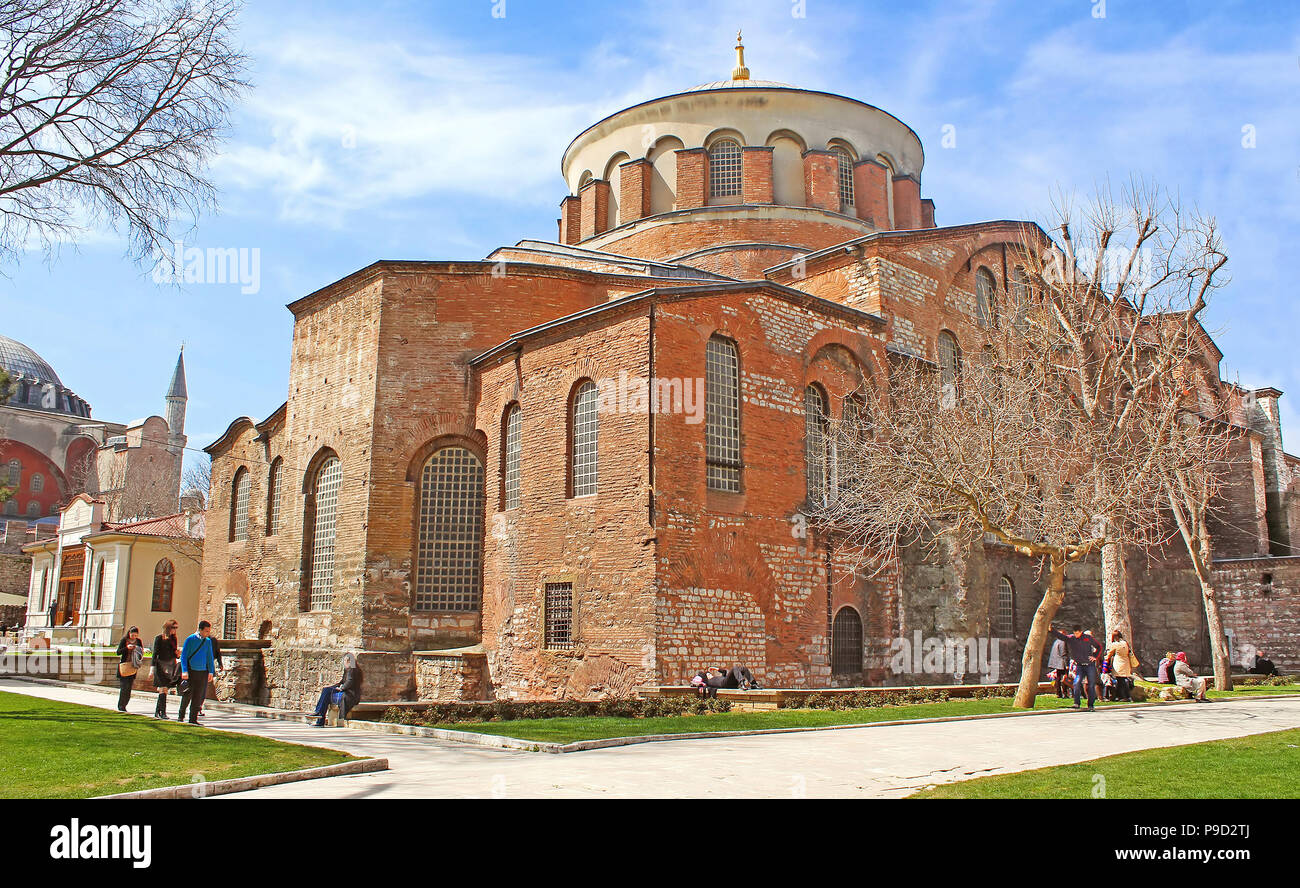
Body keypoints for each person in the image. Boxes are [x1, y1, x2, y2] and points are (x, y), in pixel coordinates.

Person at [1048, 624, 1103, 711]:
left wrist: (1095, 656)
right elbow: (1062, 637)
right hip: (1080, 665)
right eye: (1075, 633)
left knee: (1091, 685)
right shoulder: (1072, 638)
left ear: (1081, 632)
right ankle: (1076, 703)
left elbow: (1099, 646)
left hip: (1089, 665)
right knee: (1076, 683)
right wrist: (1052, 630)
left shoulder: (1087, 638)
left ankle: (1090, 705)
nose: (1077, 635)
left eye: (1078, 633)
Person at [177, 621, 215, 725]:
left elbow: (209, 657)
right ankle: (181, 715)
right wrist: (184, 670)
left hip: (202, 671)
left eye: (209, 631)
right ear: (201, 630)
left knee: (198, 696)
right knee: (188, 694)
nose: (208, 633)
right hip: (191, 671)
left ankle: (193, 719)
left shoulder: (207, 641)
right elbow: (184, 656)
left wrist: (211, 671)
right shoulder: (190, 639)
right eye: (206, 631)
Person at [312, 652, 363, 727]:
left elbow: (349, 682)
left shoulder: (352, 670)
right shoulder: (349, 670)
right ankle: (319, 715)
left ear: (349, 661)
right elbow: (342, 681)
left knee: (326, 692)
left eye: (345, 661)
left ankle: (319, 714)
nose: (344, 663)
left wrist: (341, 688)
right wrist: (334, 686)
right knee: (326, 690)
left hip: (350, 695)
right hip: (347, 692)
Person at [151, 620, 181, 719]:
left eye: (176, 628)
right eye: (174, 627)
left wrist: (177, 654)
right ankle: (162, 712)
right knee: (163, 689)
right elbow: (155, 654)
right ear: (168, 628)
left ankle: (158, 711)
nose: (175, 630)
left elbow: (173, 654)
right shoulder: (159, 638)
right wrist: (152, 668)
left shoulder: (173, 639)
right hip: (160, 666)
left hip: (170, 666)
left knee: (165, 690)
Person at [115, 626, 143, 712]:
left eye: (135, 635)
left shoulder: (138, 641)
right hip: (124, 665)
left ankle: (125, 704)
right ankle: (121, 705)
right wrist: (127, 648)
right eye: (132, 635)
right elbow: (118, 652)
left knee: (129, 687)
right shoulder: (124, 640)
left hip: (133, 665)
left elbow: (141, 651)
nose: (134, 637)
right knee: (124, 686)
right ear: (129, 633)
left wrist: (138, 650)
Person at [1105, 630, 1137, 703]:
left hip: (1118, 663)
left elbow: (1109, 654)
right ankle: (1126, 696)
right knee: (1124, 680)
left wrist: (1106, 658)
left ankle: (1123, 696)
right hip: (1126, 663)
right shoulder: (1125, 643)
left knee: (1120, 681)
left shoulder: (1115, 644)